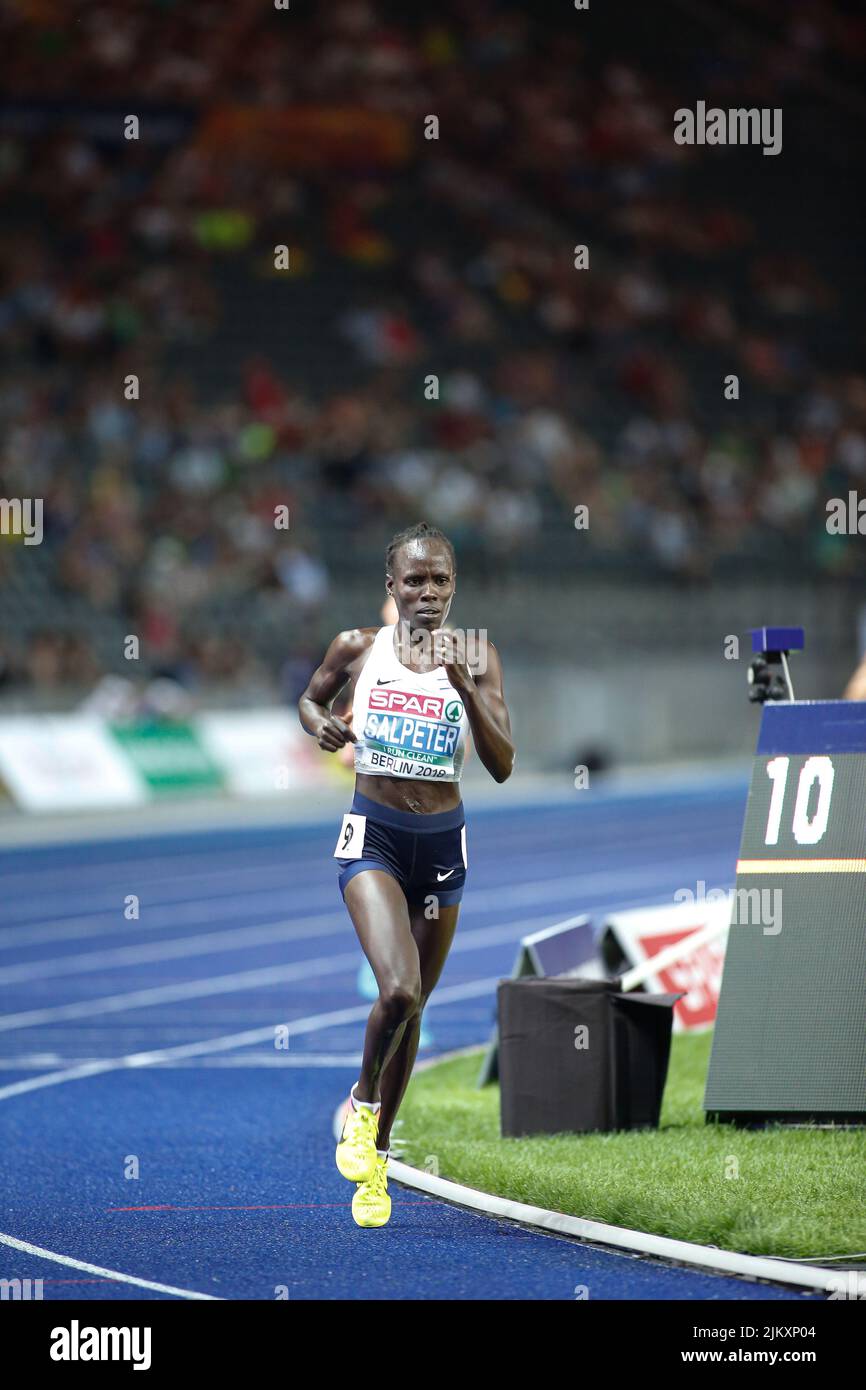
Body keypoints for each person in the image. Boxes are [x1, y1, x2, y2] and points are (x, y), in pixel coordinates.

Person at [298, 521, 515, 1226]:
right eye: (415, 580)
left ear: (455, 587)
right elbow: (311, 699)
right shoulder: (358, 648)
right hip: (375, 839)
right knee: (397, 989)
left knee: (416, 1006)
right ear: (391, 586)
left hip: (443, 845)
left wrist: (466, 688)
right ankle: (364, 1105)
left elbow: (504, 762)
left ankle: (379, 1156)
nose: (428, 593)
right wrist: (320, 724)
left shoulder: (478, 656)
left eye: (441, 580)